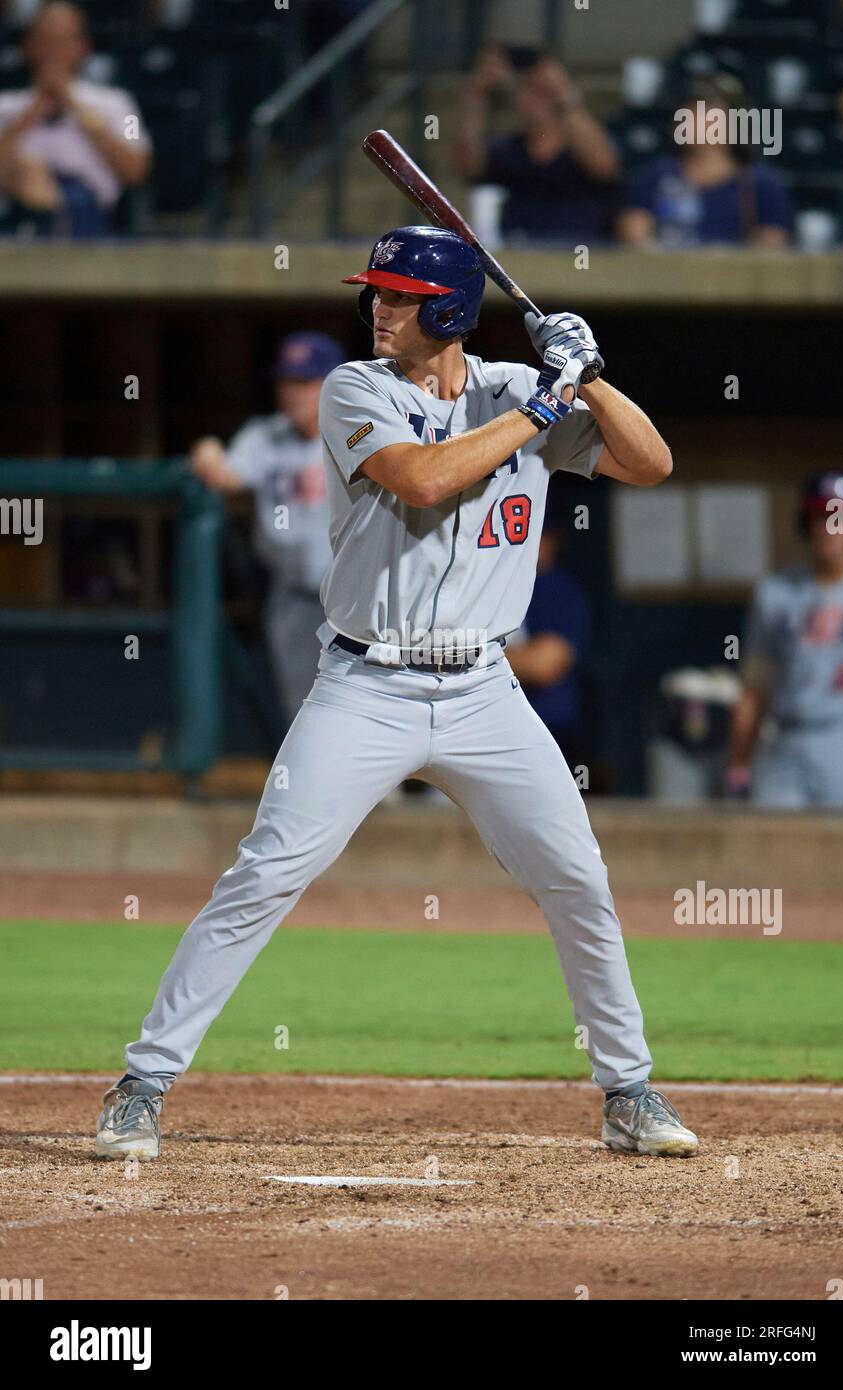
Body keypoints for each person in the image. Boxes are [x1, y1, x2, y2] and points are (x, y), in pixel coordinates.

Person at [95, 224, 698, 1163]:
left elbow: (651, 464)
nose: (379, 308)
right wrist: (548, 401)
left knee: (577, 877)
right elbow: (423, 480)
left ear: (450, 310)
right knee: (264, 874)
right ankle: (143, 1083)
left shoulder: (515, 387)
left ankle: (628, 1091)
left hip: (486, 690)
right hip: (365, 685)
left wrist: (589, 376)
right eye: (376, 292)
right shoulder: (356, 388)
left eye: (401, 297)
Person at [189, 332, 343, 728]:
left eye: (303, 381)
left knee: (371, 707)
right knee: (304, 711)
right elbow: (225, 475)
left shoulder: (360, 432)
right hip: (293, 598)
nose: (291, 392)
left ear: (334, 383)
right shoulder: (265, 436)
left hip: (357, 597)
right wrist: (206, 450)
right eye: (286, 381)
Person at [728, 471, 843, 808]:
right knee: (771, 838)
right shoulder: (776, 593)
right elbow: (755, 687)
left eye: (841, 517)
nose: (830, 527)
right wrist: (739, 763)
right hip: (787, 741)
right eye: (821, 517)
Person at [0, 2, 151, 238]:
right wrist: (29, 115)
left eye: (64, 41)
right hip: (18, 211)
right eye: (46, 40)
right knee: (30, 171)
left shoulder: (120, 104)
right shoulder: (6, 106)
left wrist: (75, 107)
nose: (54, 51)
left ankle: (56, 226)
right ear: (29, 45)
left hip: (91, 213)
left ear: (83, 47)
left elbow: (137, 167)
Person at [455, 44, 621, 244]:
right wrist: (476, 94)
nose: (536, 100)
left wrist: (563, 94)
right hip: (519, 249)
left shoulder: (584, 143)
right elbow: (469, 168)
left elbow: (605, 167)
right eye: (526, 90)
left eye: (542, 91)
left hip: (583, 250)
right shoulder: (509, 148)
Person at [618, 76, 792, 248]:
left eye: (709, 115)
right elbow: (634, 229)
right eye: (690, 114)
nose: (697, 123)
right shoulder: (656, 175)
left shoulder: (759, 182)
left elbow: (772, 240)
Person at [506, 521, 591, 772]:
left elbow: (543, 665)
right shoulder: (485, 585)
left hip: (546, 727)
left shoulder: (560, 590)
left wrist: (474, 658)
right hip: (474, 725)